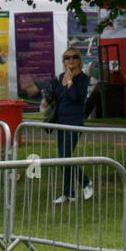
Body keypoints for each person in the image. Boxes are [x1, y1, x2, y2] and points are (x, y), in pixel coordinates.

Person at [48, 46, 92, 205]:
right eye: (67, 57)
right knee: (62, 158)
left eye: (74, 57)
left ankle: (86, 182)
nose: (71, 60)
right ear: (64, 61)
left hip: (74, 123)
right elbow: (56, 96)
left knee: (66, 157)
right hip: (60, 122)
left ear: (79, 60)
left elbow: (75, 96)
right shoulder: (60, 77)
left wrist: (70, 81)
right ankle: (69, 194)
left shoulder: (83, 79)